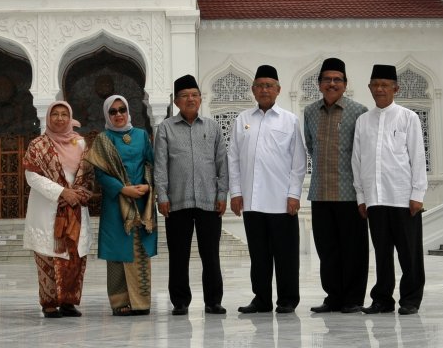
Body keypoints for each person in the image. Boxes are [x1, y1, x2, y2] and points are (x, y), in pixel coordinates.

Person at [228, 64, 307, 314]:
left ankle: (287, 299)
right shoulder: (242, 120)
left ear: (278, 90)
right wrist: (236, 192)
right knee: (259, 254)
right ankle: (261, 299)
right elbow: (233, 158)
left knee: (286, 254)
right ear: (253, 90)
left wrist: (294, 194)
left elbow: (298, 161)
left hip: (281, 200)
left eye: (269, 86)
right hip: (252, 200)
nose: (264, 90)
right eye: (260, 86)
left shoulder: (289, 120)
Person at [351, 64, 428, 316]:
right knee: (382, 253)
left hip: (402, 197)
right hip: (375, 198)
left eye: (385, 85)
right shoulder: (363, 121)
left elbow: (417, 157)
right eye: (375, 85)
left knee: (409, 253)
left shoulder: (408, 117)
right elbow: (357, 161)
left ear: (396, 88)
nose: (380, 89)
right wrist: (361, 197)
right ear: (369, 88)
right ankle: (382, 299)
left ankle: (411, 299)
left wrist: (417, 194)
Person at [154, 74, 228, 316]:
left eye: (195, 95)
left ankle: (213, 301)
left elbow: (222, 163)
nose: (191, 99)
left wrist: (222, 194)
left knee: (211, 254)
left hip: (209, 200)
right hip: (177, 200)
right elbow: (160, 165)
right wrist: (162, 195)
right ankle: (180, 301)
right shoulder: (165, 128)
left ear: (200, 98)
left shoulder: (212, 127)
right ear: (176, 101)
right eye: (185, 96)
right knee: (178, 254)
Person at [303, 57, 369, 314]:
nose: (332, 84)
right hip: (320, 192)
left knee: (353, 249)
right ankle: (333, 297)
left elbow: (363, 153)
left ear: (345, 84)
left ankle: (353, 298)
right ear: (319, 83)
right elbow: (311, 146)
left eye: (337, 79)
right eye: (327, 79)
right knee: (327, 250)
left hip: (349, 194)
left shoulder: (359, 112)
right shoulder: (310, 112)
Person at [86, 94, 158, 316]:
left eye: (122, 110)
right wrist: (122, 189)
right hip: (116, 203)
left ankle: (141, 301)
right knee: (117, 251)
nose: (118, 114)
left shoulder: (141, 135)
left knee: (140, 249)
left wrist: (147, 185)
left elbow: (151, 163)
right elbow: (100, 173)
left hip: (141, 201)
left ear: (128, 111)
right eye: (113, 111)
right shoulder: (103, 139)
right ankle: (120, 303)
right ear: (107, 115)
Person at [22, 101, 95, 318]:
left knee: (74, 257)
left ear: (70, 117)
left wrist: (77, 194)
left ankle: (68, 302)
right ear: (48, 117)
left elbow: (89, 175)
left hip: (75, 210)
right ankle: (49, 303)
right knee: (47, 255)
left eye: (64, 114)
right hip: (47, 208)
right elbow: (32, 176)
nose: (60, 118)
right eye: (55, 114)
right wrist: (62, 192)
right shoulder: (38, 145)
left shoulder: (81, 144)